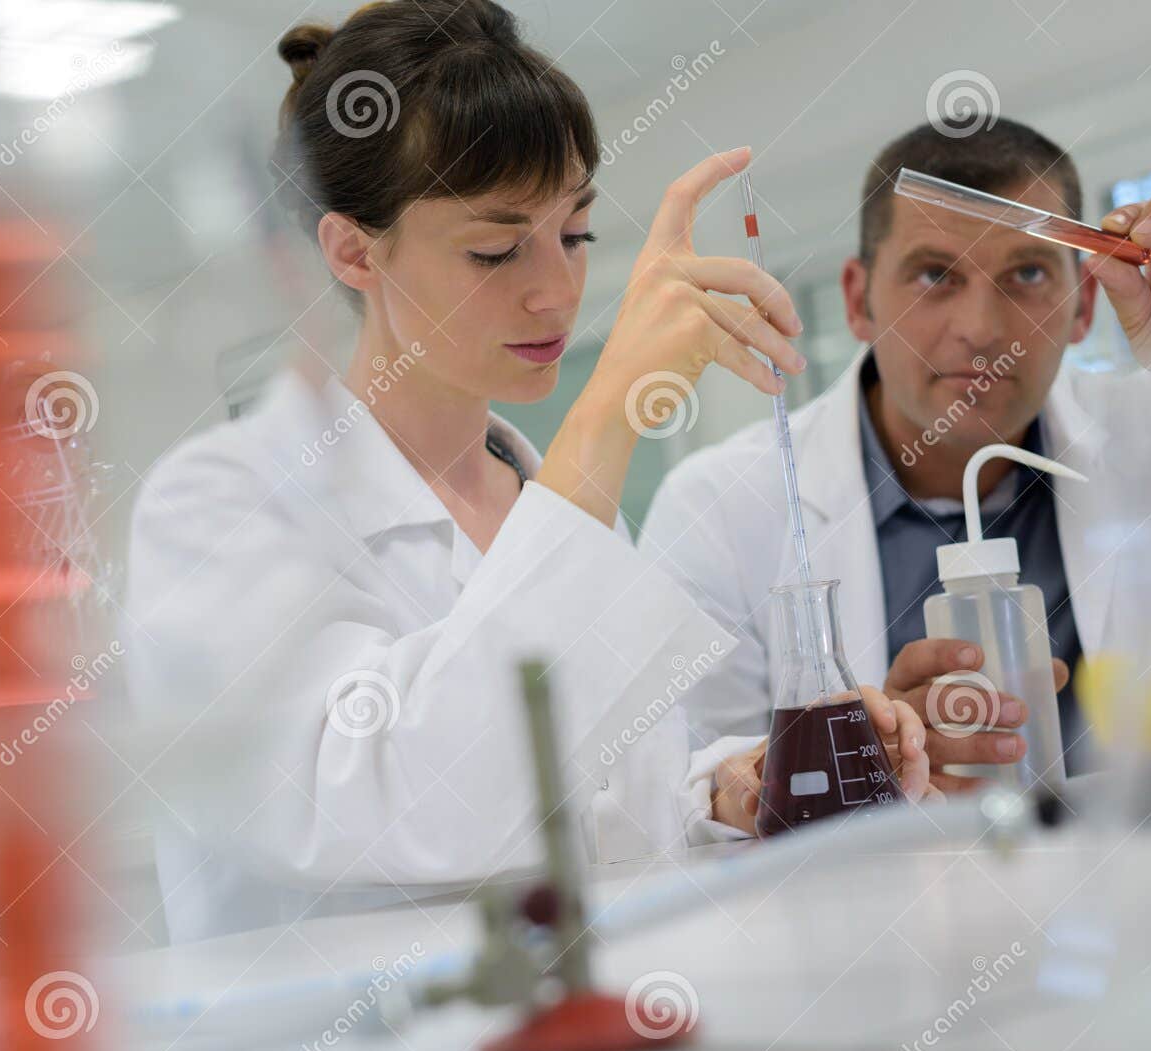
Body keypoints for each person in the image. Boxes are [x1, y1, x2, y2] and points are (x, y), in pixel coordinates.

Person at [124, 0, 931, 940]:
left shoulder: (540, 501)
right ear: (352, 250)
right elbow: (414, 808)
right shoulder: (221, 507)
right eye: (496, 248)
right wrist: (610, 415)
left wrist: (725, 792)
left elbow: (579, 812)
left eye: (576, 233)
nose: (556, 288)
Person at [641, 116, 1151, 787]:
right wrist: (861, 764)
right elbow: (679, 803)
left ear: (1083, 305)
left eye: (1026, 272)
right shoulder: (720, 509)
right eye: (935, 275)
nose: (981, 330)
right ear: (858, 300)